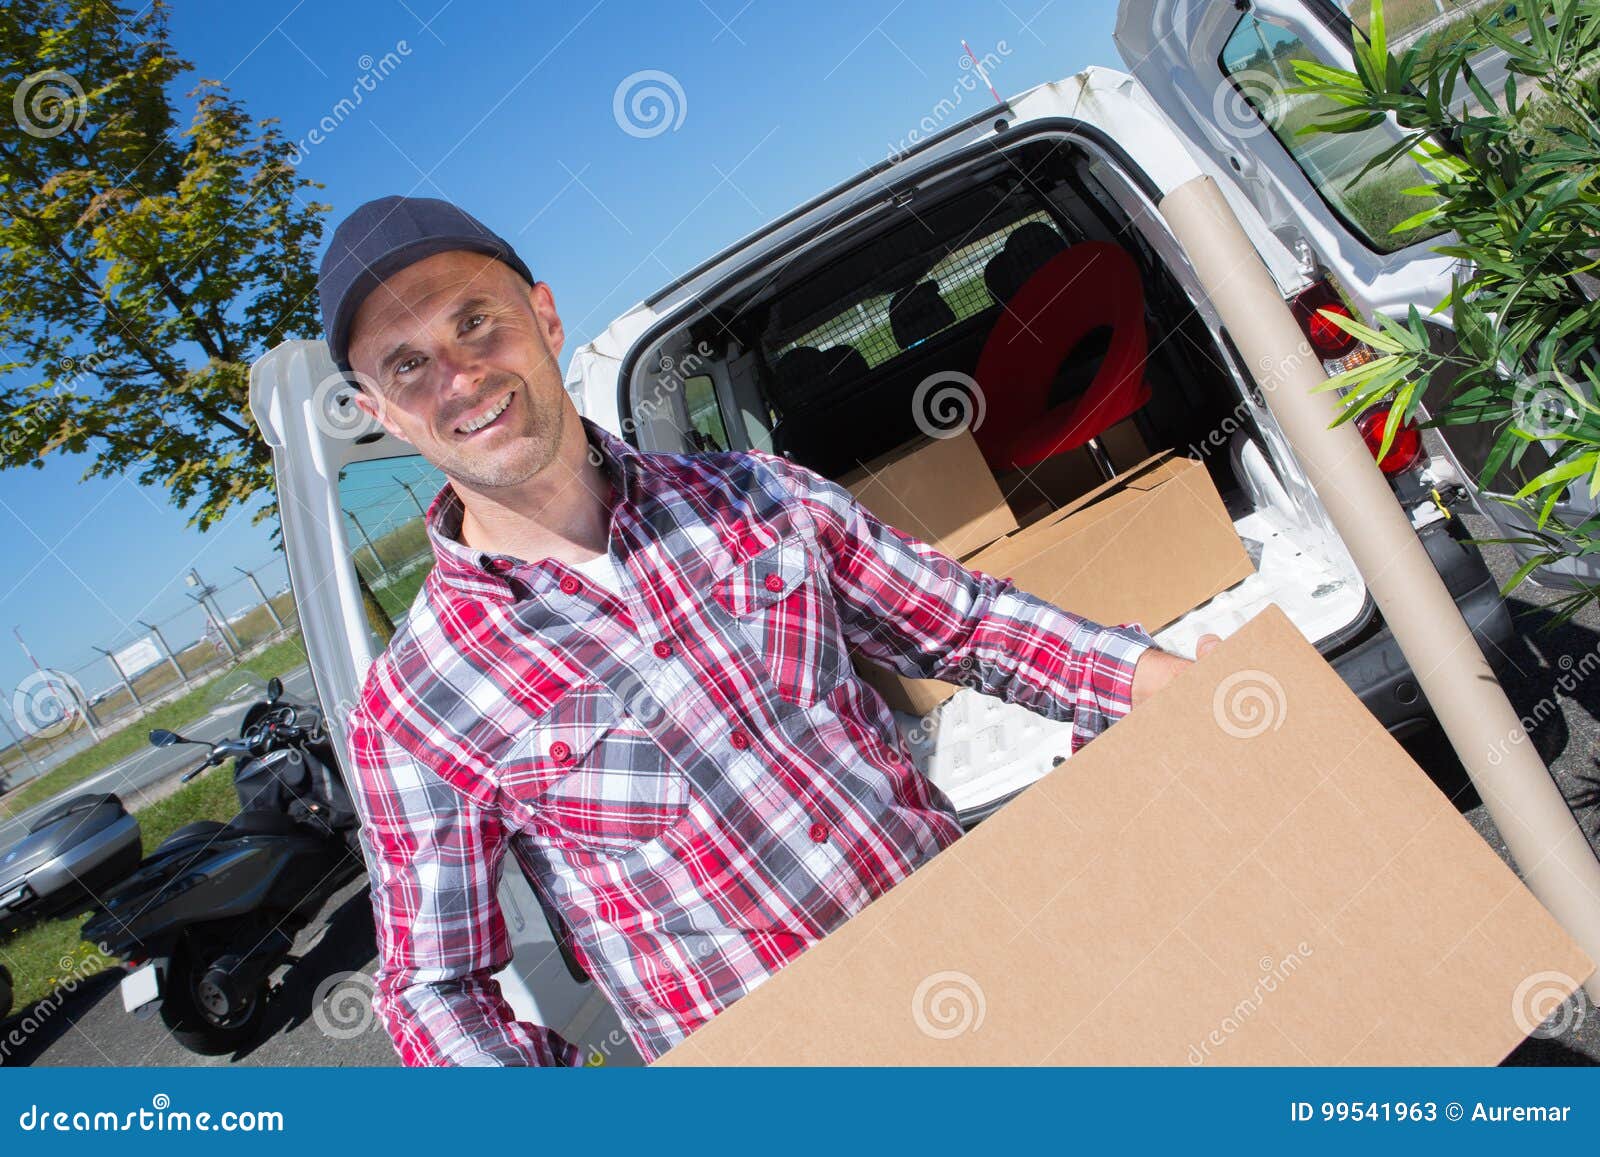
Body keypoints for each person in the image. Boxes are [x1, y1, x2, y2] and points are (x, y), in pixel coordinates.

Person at [318, 195, 1216, 1067]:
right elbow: (436, 986)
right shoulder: (412, 705)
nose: (460, 377)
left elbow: (971, 627)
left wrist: (1168, 682)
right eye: (407, 365)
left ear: (545, 317)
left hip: (985, 969)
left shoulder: (757, 495)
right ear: (381, 411)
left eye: (477, 322)